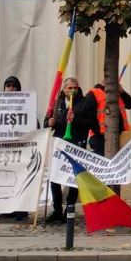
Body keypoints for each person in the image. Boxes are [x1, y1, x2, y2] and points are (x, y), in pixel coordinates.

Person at [45, 78, 99, 224]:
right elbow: (47, 121)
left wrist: (76, 119)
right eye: (69, 88)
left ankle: (69, 209)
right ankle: (56, 210)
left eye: (75, 88)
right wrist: (49, 123)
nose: (72, 91)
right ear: (63, 89)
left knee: (73, 180)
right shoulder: (57, 103)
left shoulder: (86, 102)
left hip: (76, 144)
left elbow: (93, 123)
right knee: (55, 178)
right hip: (59, 144)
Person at [0, 76, 31, 221]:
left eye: (14, 86)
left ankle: (22, 210)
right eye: (8, 85)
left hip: (20, 147)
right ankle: (7, 208)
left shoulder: (26, 104)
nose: (11, 88)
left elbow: (32, 122)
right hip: (3, 147)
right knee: (4, 178)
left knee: (20, 178)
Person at [86, 82, 131, 155]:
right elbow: (88, 113)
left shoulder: (117, 93)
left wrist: (122, 92)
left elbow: (130, 104)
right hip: (100, 135)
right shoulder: (94, 93)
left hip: (118, 133)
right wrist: (97, 129)